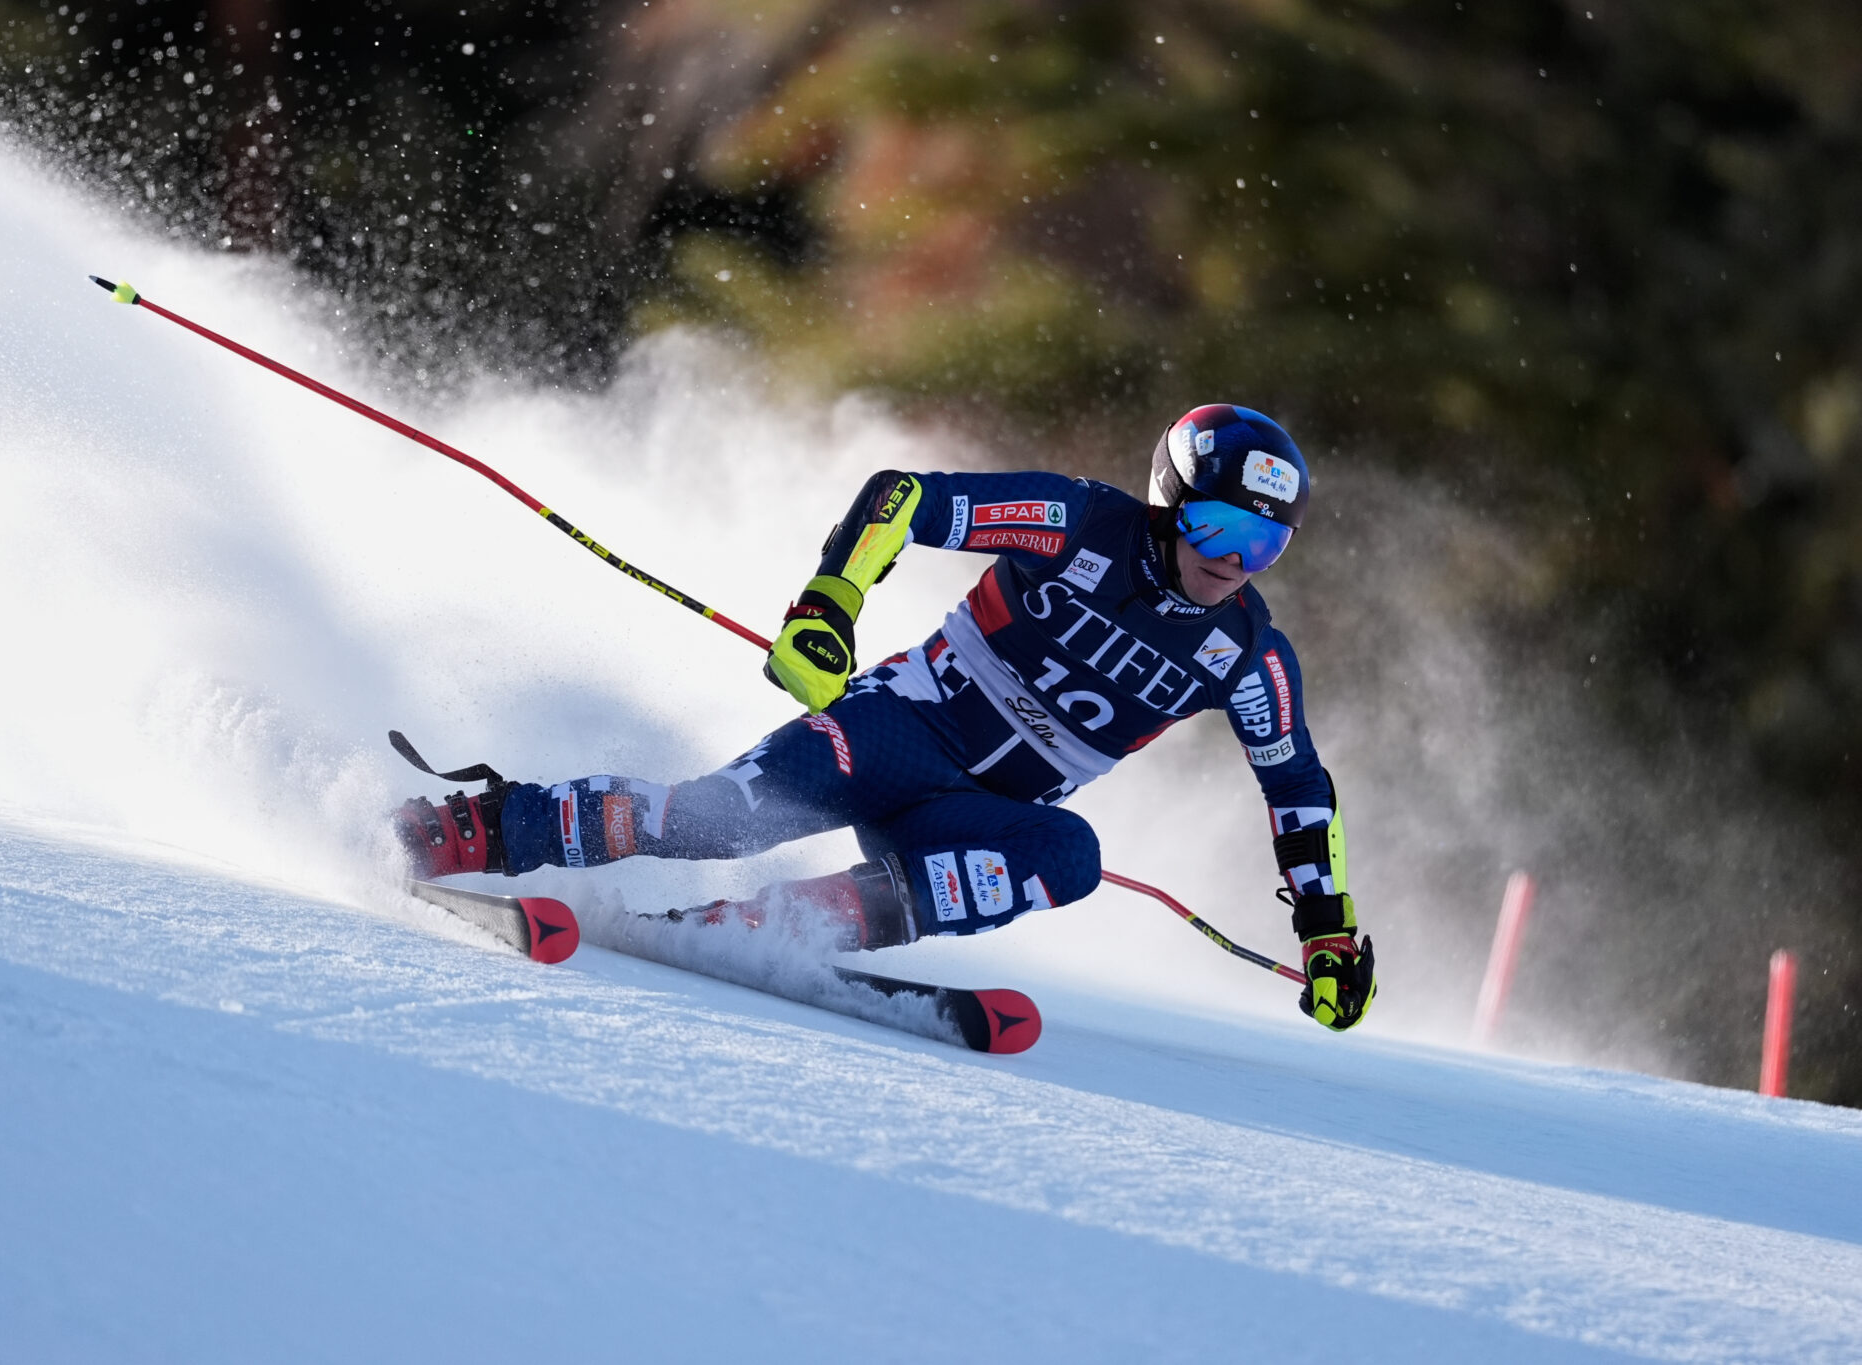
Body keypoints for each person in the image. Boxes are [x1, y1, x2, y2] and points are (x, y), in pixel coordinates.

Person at [394, 404, 1376, 1031]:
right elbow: (903, 498)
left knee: (1066, 856)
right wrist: (829, 606)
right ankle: (467, 830)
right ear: (1168, 507)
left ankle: (758, 929)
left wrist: (1328, 929)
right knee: (714, 818)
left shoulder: (1245, 653)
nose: (1231, 561)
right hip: (900, 731)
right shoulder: (1080, 522)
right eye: (1215, 527)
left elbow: (1295, 788)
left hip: (973, 813)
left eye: (1263, 544)